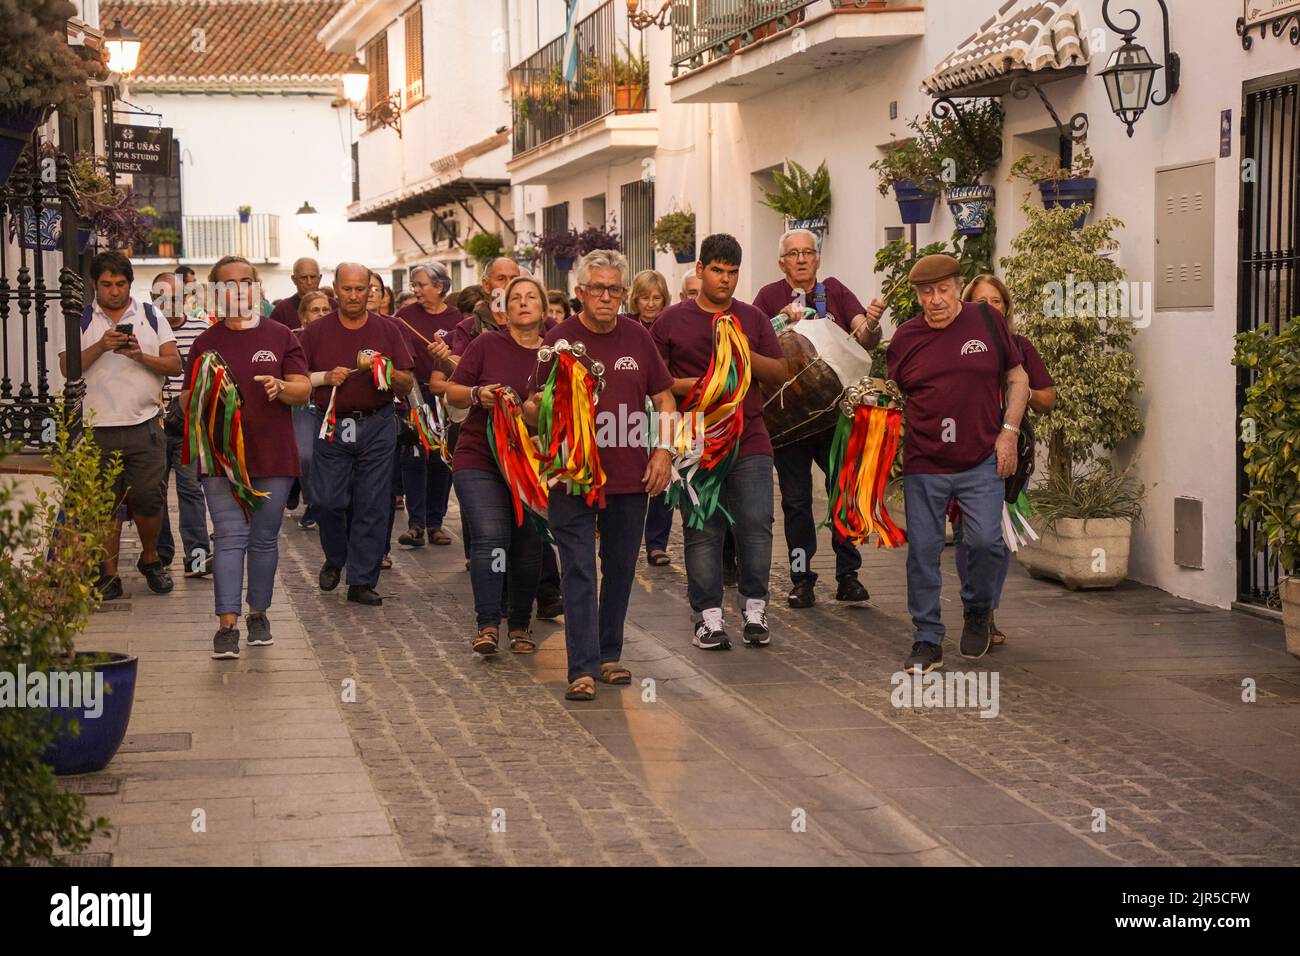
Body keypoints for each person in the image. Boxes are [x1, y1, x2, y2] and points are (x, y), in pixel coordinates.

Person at [523, 249, 675, 701]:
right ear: (580, 293)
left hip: (631, 476)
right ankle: (582, 668)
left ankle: (610, 655)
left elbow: (666, 400)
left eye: (614, 289)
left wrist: (664, 453)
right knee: (578, 568)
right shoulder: (560, 340)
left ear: (624, 293)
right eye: (597, 289)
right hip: (573, 477)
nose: (606, 297)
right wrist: (535, 411)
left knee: (621, 568)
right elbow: (534, 406)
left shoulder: (638, 338)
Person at [652, 234, 796, 650]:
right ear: (700, 270)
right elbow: (656, 384)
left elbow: (781, 372)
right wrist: (700, 384)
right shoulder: (671, 321)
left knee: (757, 524)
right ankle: (707, 617)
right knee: (702, 528)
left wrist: (741, 355)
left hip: (750, 436)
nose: (725, 280)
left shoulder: (751, 319)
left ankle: (755, 608)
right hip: (694, 439)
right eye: (717, 271)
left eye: (733, 273)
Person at [887, 255, 1029, 674]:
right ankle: (927, 637)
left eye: (944, 289)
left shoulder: (987, 320)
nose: (936, 300)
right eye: (926, 293)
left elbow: (1017, 378)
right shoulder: (905, 339)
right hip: (925, 463)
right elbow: (892, 397)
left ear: (958, 286)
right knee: (924, 552)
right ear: (917, 297)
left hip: (981, 458)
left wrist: (1009, 431)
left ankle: (978, 609)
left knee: (986, 543)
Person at [181, 256, 310, 659]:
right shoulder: (205, 342)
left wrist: (280, 387)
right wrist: (204, 392)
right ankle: (227, 624)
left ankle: (259, 613)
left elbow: (303, 390)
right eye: (229, 283)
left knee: (264, 539)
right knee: (230, 536)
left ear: (257, 288)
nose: (238, 290)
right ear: (216, 292)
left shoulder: (282, 335)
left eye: (245, 282)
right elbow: (187, 399)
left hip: (273, 454)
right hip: (221, 459)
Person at [751, 228, 885, 609]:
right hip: (788, 424)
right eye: (793, 254)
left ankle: (848, 575)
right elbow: (751, 347)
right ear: (782, 263)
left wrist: (871, 323)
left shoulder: (836, 291)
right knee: (795, 502)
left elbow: (864, 337)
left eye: (808, 252)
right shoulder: (767, 298)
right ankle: (801, 577)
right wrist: (778, 322)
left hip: (833, 419)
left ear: (818, 258)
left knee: (842, 492)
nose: (801, 259)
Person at [60, 251, 181, 600]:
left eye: (121, 284)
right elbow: (68, 367)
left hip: (144, 423)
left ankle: (150, 558)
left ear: (130, 283)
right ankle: (109, 574)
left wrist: (139, 354)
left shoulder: (150, 315)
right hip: (96, 426)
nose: (114, 291)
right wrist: (101, 345)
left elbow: (174, 365)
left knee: (149, 499)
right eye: (106, 284)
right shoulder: (80, 320)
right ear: (94, 285)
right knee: (104, 504)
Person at [300, 262, 415, 606]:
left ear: (371, 291)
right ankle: (336, 556)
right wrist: (324, 377)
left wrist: (384, 368)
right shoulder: (316, 331)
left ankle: (362, 580)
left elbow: (407, 383)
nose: (353, 295)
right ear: (335, 289)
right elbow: (297, 379)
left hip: (377, 422)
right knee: (326, 500)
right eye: (347, 289)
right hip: (332, 422)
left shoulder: (389, 329)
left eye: (360, 289)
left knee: (373, 502)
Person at [445, 274, 548, 655]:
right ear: (503, 308)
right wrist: (477, 393)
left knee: (528, 540)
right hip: (480, 457)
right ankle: (487, 624)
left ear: (543, 308)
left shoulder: (554, 354)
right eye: (515, 297)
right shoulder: (486, 344)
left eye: (530, 297)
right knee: (492, 536)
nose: (523, 302)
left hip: (532, 461)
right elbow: (453, 393)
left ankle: (520, 624)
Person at [957, 274, 1056, 646]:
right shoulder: (955, 344)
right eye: (980, 301)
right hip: (962, 450)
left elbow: (1048, 399)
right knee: (970, 536)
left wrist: (1018, 389)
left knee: (996, 538)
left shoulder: (1019, 346)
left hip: (1011, 452)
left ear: (1006, 307)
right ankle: (975, 609)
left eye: (995, 301)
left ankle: (986, 610)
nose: (988, 308)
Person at [393, 263, 462, 548]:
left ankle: (436, 522)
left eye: (421, 285)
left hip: (445, 395)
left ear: (440, 287)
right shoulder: (404, 317)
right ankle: (415, 524)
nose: (416, 290)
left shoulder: (458, 319)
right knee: (413, 457)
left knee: (441, 459)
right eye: (414, 284)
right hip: (414, 394)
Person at [152, 270, 212, 577]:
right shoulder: (145, 332)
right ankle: (161, 557)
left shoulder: (202, 331)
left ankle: (197, 558)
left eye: (174, 297)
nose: (168, 304)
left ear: (185, 299)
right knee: (154, 491)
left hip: (190, 424)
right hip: (154, 424)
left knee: (190, 489)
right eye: (161, 298)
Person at [627, 269, 675, 567]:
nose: (651, 303)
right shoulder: (626, 326)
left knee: (666, 473)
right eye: (645, 297)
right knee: (633, 472)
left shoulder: (671, 325)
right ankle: (629, 538)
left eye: (657, 298)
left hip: (667, 406)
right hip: (631, 411)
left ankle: (657, 543)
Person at [292, 290, 333, 531]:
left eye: (326, 310)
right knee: (305, 455)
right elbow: (295, 375)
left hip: (334, 407)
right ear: (303, 316)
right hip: (305, 405)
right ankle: (311, 498)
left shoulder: (339, 336)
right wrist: (323, 377)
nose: (321, 314)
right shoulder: (294, 339)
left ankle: (319, 503)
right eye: (315, 310)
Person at [269, 257, 331, 331]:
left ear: (320, 278)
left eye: (313, 277)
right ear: (294, 279)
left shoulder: (333, 305)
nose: (309, 282)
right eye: (304, 278)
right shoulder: (282, 310)